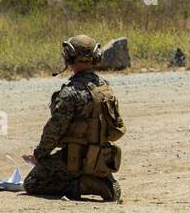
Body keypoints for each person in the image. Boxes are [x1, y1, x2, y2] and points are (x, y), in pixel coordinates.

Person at [23, 35, 125, 202]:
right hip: (101, 157)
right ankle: (101, 180)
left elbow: (54, 132)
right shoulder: (105, 87)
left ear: (69, 57)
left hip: (73, 158)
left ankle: (81, 185)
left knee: (31, 183)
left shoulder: (70, 93)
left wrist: (38, 155)